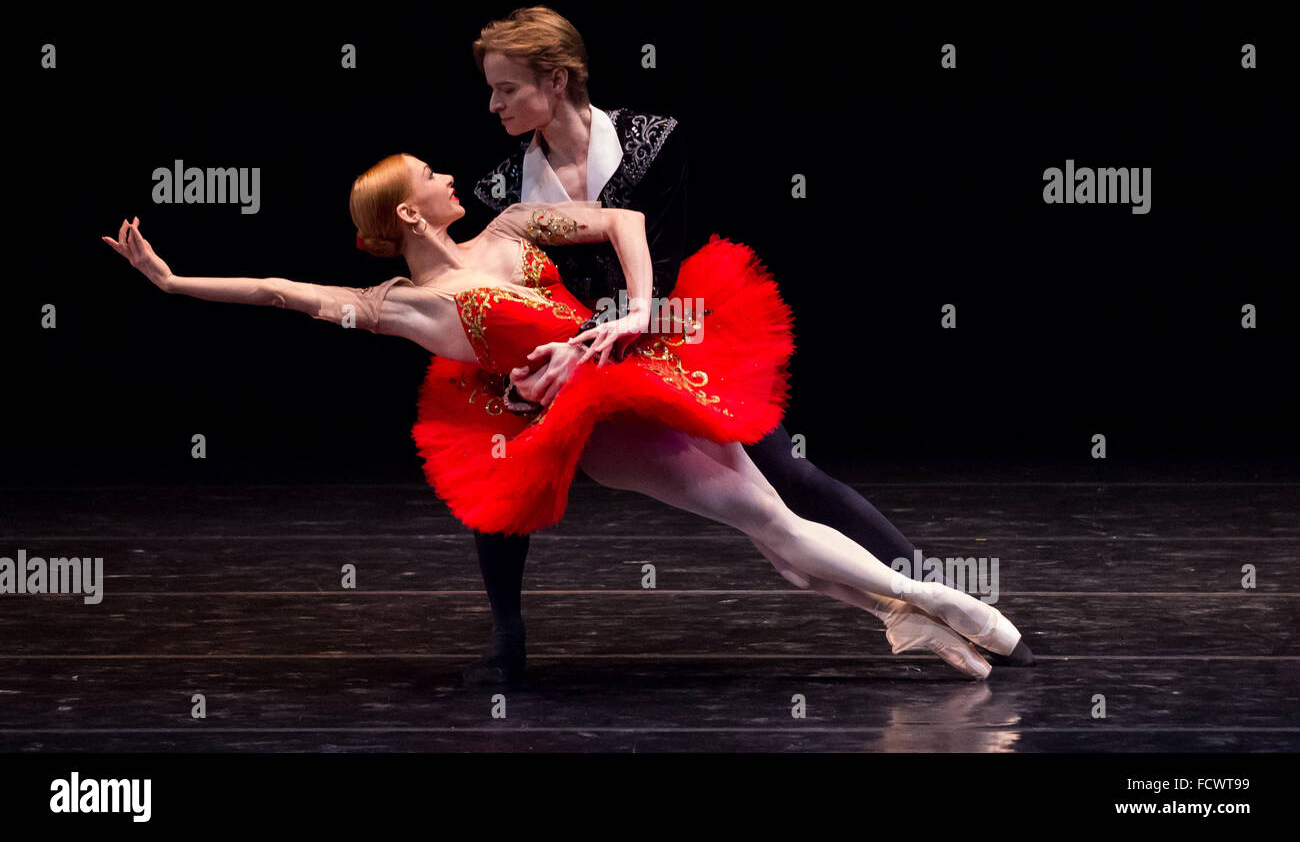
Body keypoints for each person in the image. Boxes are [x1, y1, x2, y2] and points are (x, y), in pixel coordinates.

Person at [101, 162, 1024, 682]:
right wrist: (175, 282)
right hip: (606, 424)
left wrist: (632, 307)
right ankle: (934, 605)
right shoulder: (406, 306)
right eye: (435, 175)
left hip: (639, 366)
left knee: (779, 539)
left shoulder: (510, 228)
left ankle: (914, 614)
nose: (454, 173)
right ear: (411, 210)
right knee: (775, 529)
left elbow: (623, 220)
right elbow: (281, 292)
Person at [462, 6, 1036, 684]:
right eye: (492, 89)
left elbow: (662, 259)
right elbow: (519, 292)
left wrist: (623, 327)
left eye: (507, 88)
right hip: (573, 348)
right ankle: (508, 638)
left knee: (788, 476)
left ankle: (951, 601)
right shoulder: (499, 188)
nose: (493, 104)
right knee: (497, 469)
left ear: (555, 81)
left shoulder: (653, 140)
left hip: (664, 325)